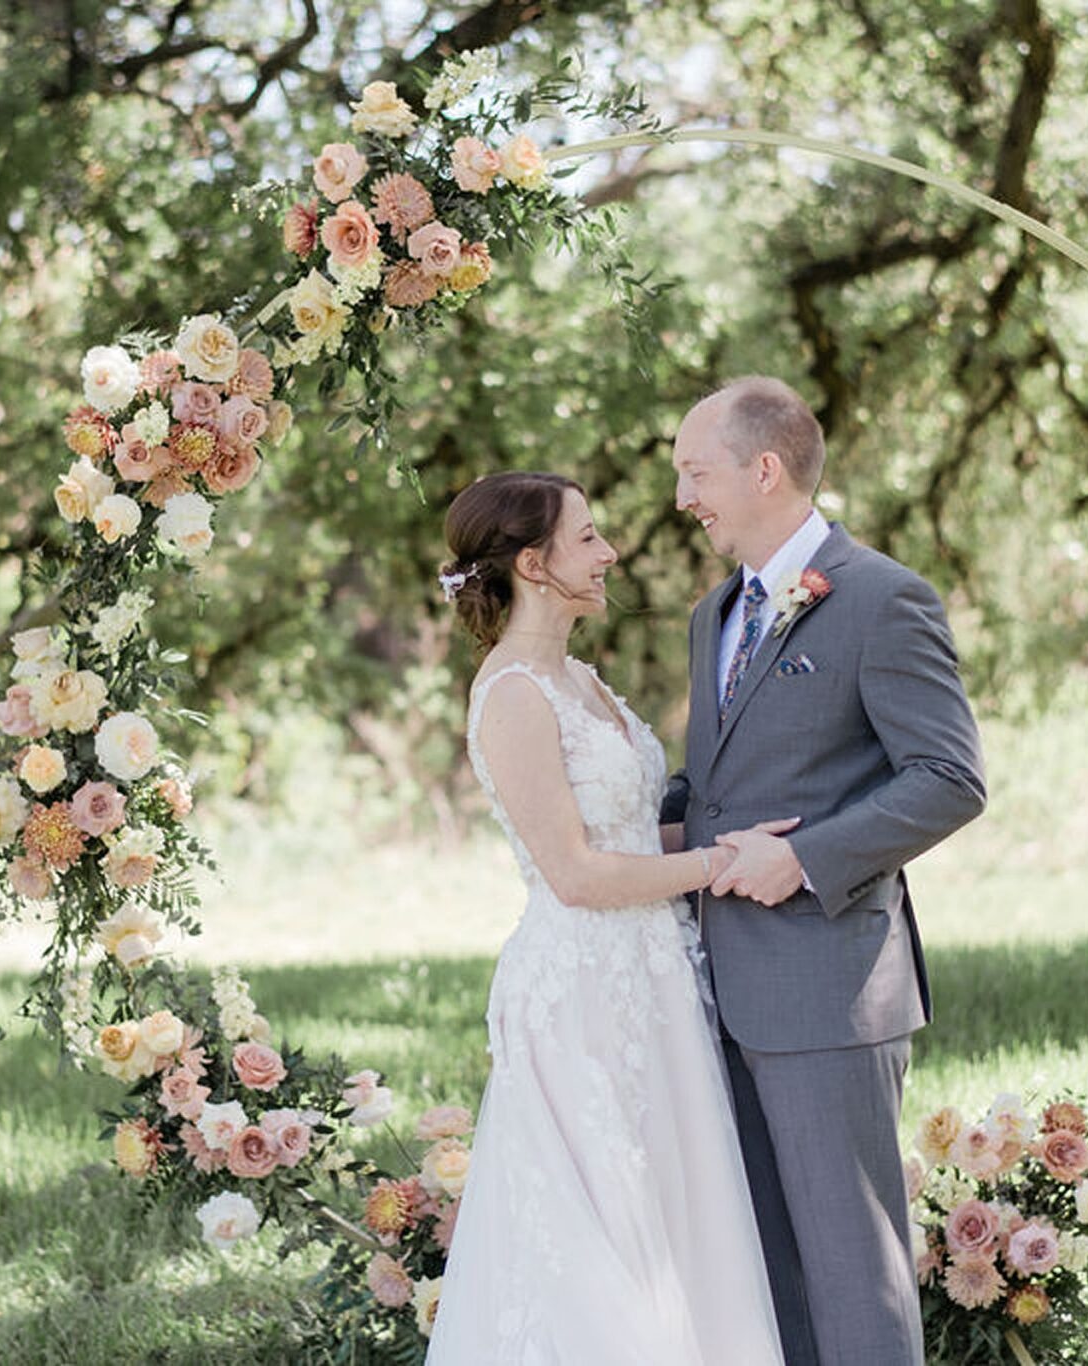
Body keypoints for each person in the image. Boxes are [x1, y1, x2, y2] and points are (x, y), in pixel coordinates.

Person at [424, 471, 786, 1365]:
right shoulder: (512, 695)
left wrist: (722, 836)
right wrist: (721, 866)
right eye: (589, 537)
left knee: (674, 1210)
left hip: (652, 975)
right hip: (583, 990)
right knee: (602, 1233)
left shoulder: (577, 678)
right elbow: (577, 875)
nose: (610, 551)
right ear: (536, 564)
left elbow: (623, 831)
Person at [667, 376, 987, 1365]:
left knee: (853, 1273)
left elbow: (947, 777)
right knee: (769, 1279)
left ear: (763, 469)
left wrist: (802, 859)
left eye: (694, 472)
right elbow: (718, 787)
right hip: (717, 991)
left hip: (828, 992)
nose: (682, 498)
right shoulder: (713, 613)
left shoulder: (884, 600)